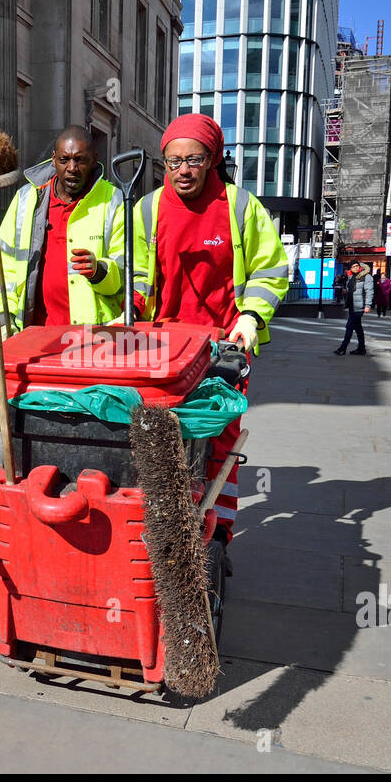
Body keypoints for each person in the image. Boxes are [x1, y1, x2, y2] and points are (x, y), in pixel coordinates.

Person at [130, 113, 288, 549]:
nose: (183, 170)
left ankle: (217, 534)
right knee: (162, 440)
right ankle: (167, 530)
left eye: (193, 159)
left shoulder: (239, 206)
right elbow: (141, 277)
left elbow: (271, 268)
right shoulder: (148, 208)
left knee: (221, 442)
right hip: (165, 346)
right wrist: (132, 313)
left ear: (213, 159)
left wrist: (251, 317)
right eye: (173, 161)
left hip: (224, 345)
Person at [0, 126, 126, 330]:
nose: (72, 168)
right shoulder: (26, 199)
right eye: (65, 160)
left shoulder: (113, 201)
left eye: (80, 160)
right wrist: (5, 320)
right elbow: (3, 266)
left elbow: (126, 274)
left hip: (92, 338)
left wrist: (99, 271)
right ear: (54, 159)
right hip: (35, 335)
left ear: (94, 159)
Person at [334, 260, 373, 355]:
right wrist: (345, 291)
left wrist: (368, 305)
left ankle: (343, 348)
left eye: (357, 266)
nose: (356, 268)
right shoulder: (351, 277)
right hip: (352, 305)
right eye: (353, 266)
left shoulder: (366, 276)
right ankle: (361, 349)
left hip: (359, 307)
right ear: (350, 268)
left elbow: (369, 291)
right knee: (358, 328)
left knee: (349, 327)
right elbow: (350, 289)